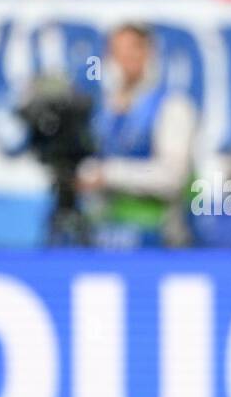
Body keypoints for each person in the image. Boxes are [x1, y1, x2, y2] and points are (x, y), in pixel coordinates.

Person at [79, 23, 196, 247]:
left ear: (149, 53)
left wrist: (109, 175)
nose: (125, 59)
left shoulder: (172, 106)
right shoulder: (104, 111)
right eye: (117, 52)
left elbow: (172, 176)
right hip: (107, 230)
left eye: (133, 49)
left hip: (159, 235)